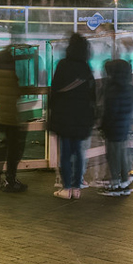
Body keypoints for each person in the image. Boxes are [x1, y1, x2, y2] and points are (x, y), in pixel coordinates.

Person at [46, 33, 97, 200]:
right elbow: (92, 94)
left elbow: (54, 91)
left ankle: (66, 188)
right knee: (79, 152)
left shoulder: (62, 65)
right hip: (81, 117)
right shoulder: (86, 67)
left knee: (66, 153)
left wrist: (51, 110)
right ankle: (77, 187)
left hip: (64, 116)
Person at [0, 44, 27, 193]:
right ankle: (11, 178)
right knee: (14, 149)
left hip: (1, 116)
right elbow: (18, 93)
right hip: (13, 118)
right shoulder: (12, 75)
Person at [101, 47, 133, 196]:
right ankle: (125, 181)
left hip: (113, 129)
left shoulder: (113, 90)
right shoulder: (129, 88)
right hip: (124, 127)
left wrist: (103, 126)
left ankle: (116, 185)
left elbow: (110, 111)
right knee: (122, 154)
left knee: (113, 156)